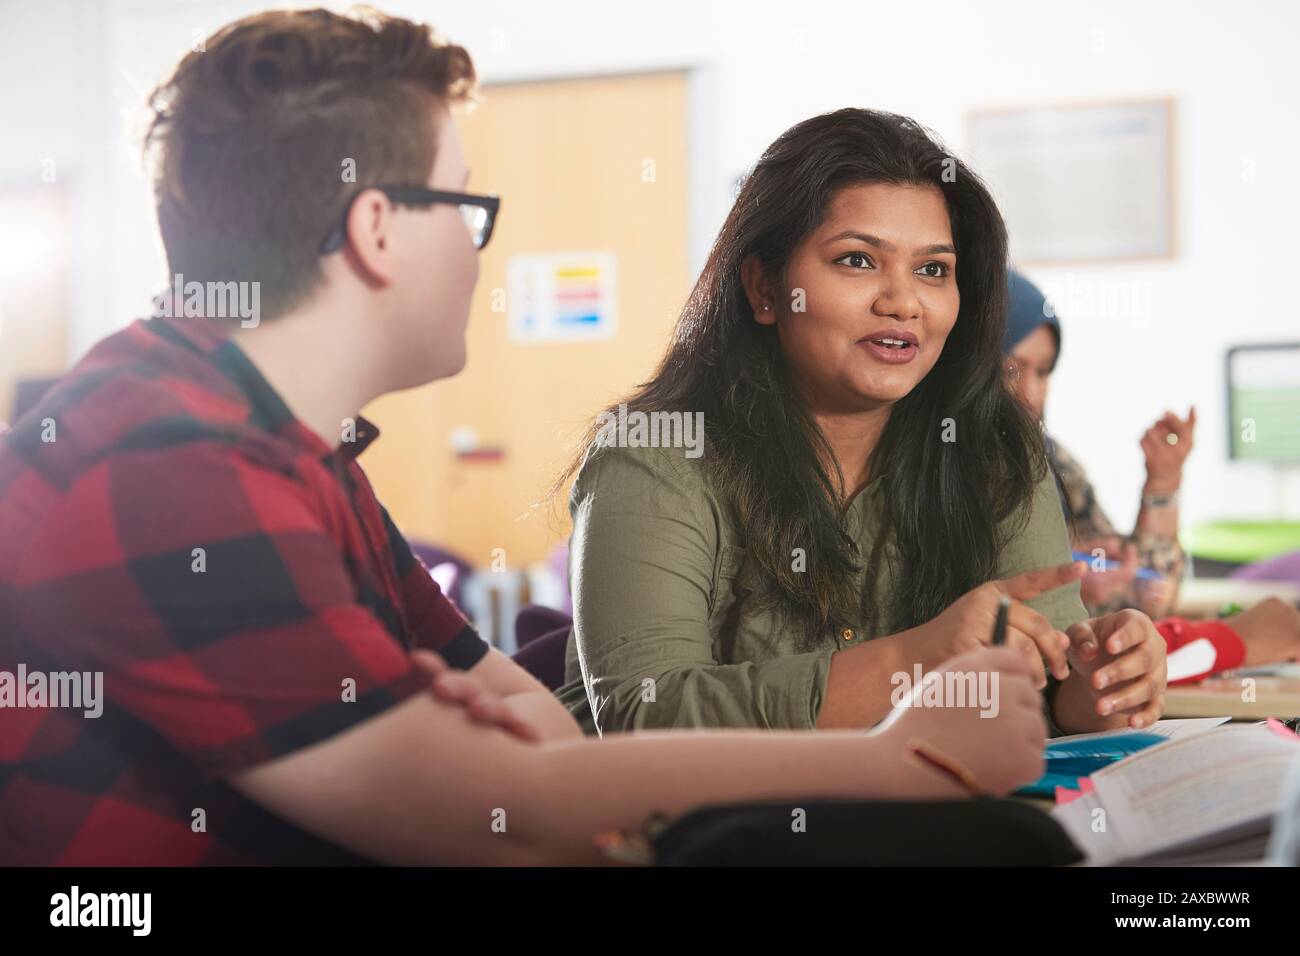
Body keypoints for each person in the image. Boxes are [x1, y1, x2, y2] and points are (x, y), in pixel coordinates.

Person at [0, 9, 1048, 867]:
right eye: (462, 206)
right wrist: (908, 759)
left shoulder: (299, 451)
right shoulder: (167, 455)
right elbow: (483, 798)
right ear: (375, 230)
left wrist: (493, 767)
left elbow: (525, 725)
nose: (476, 250)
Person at [555, 109, 1167, 737]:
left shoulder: (997, 452)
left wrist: (1099, 682)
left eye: (933, 270)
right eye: (856, 260)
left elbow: (1043, 695)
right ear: (765, 288)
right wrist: (914, 662)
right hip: (695, 829)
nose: (902, 302)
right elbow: (646, 715)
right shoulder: (653, 454)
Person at [1003, 269, 1300, 679]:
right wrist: (1231, 641)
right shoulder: (938, 471)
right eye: (1011, 369)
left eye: (1043, 371)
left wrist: (1162, 486)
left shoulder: (1050, 463)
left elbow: (1150, 602)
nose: (1032, 394)